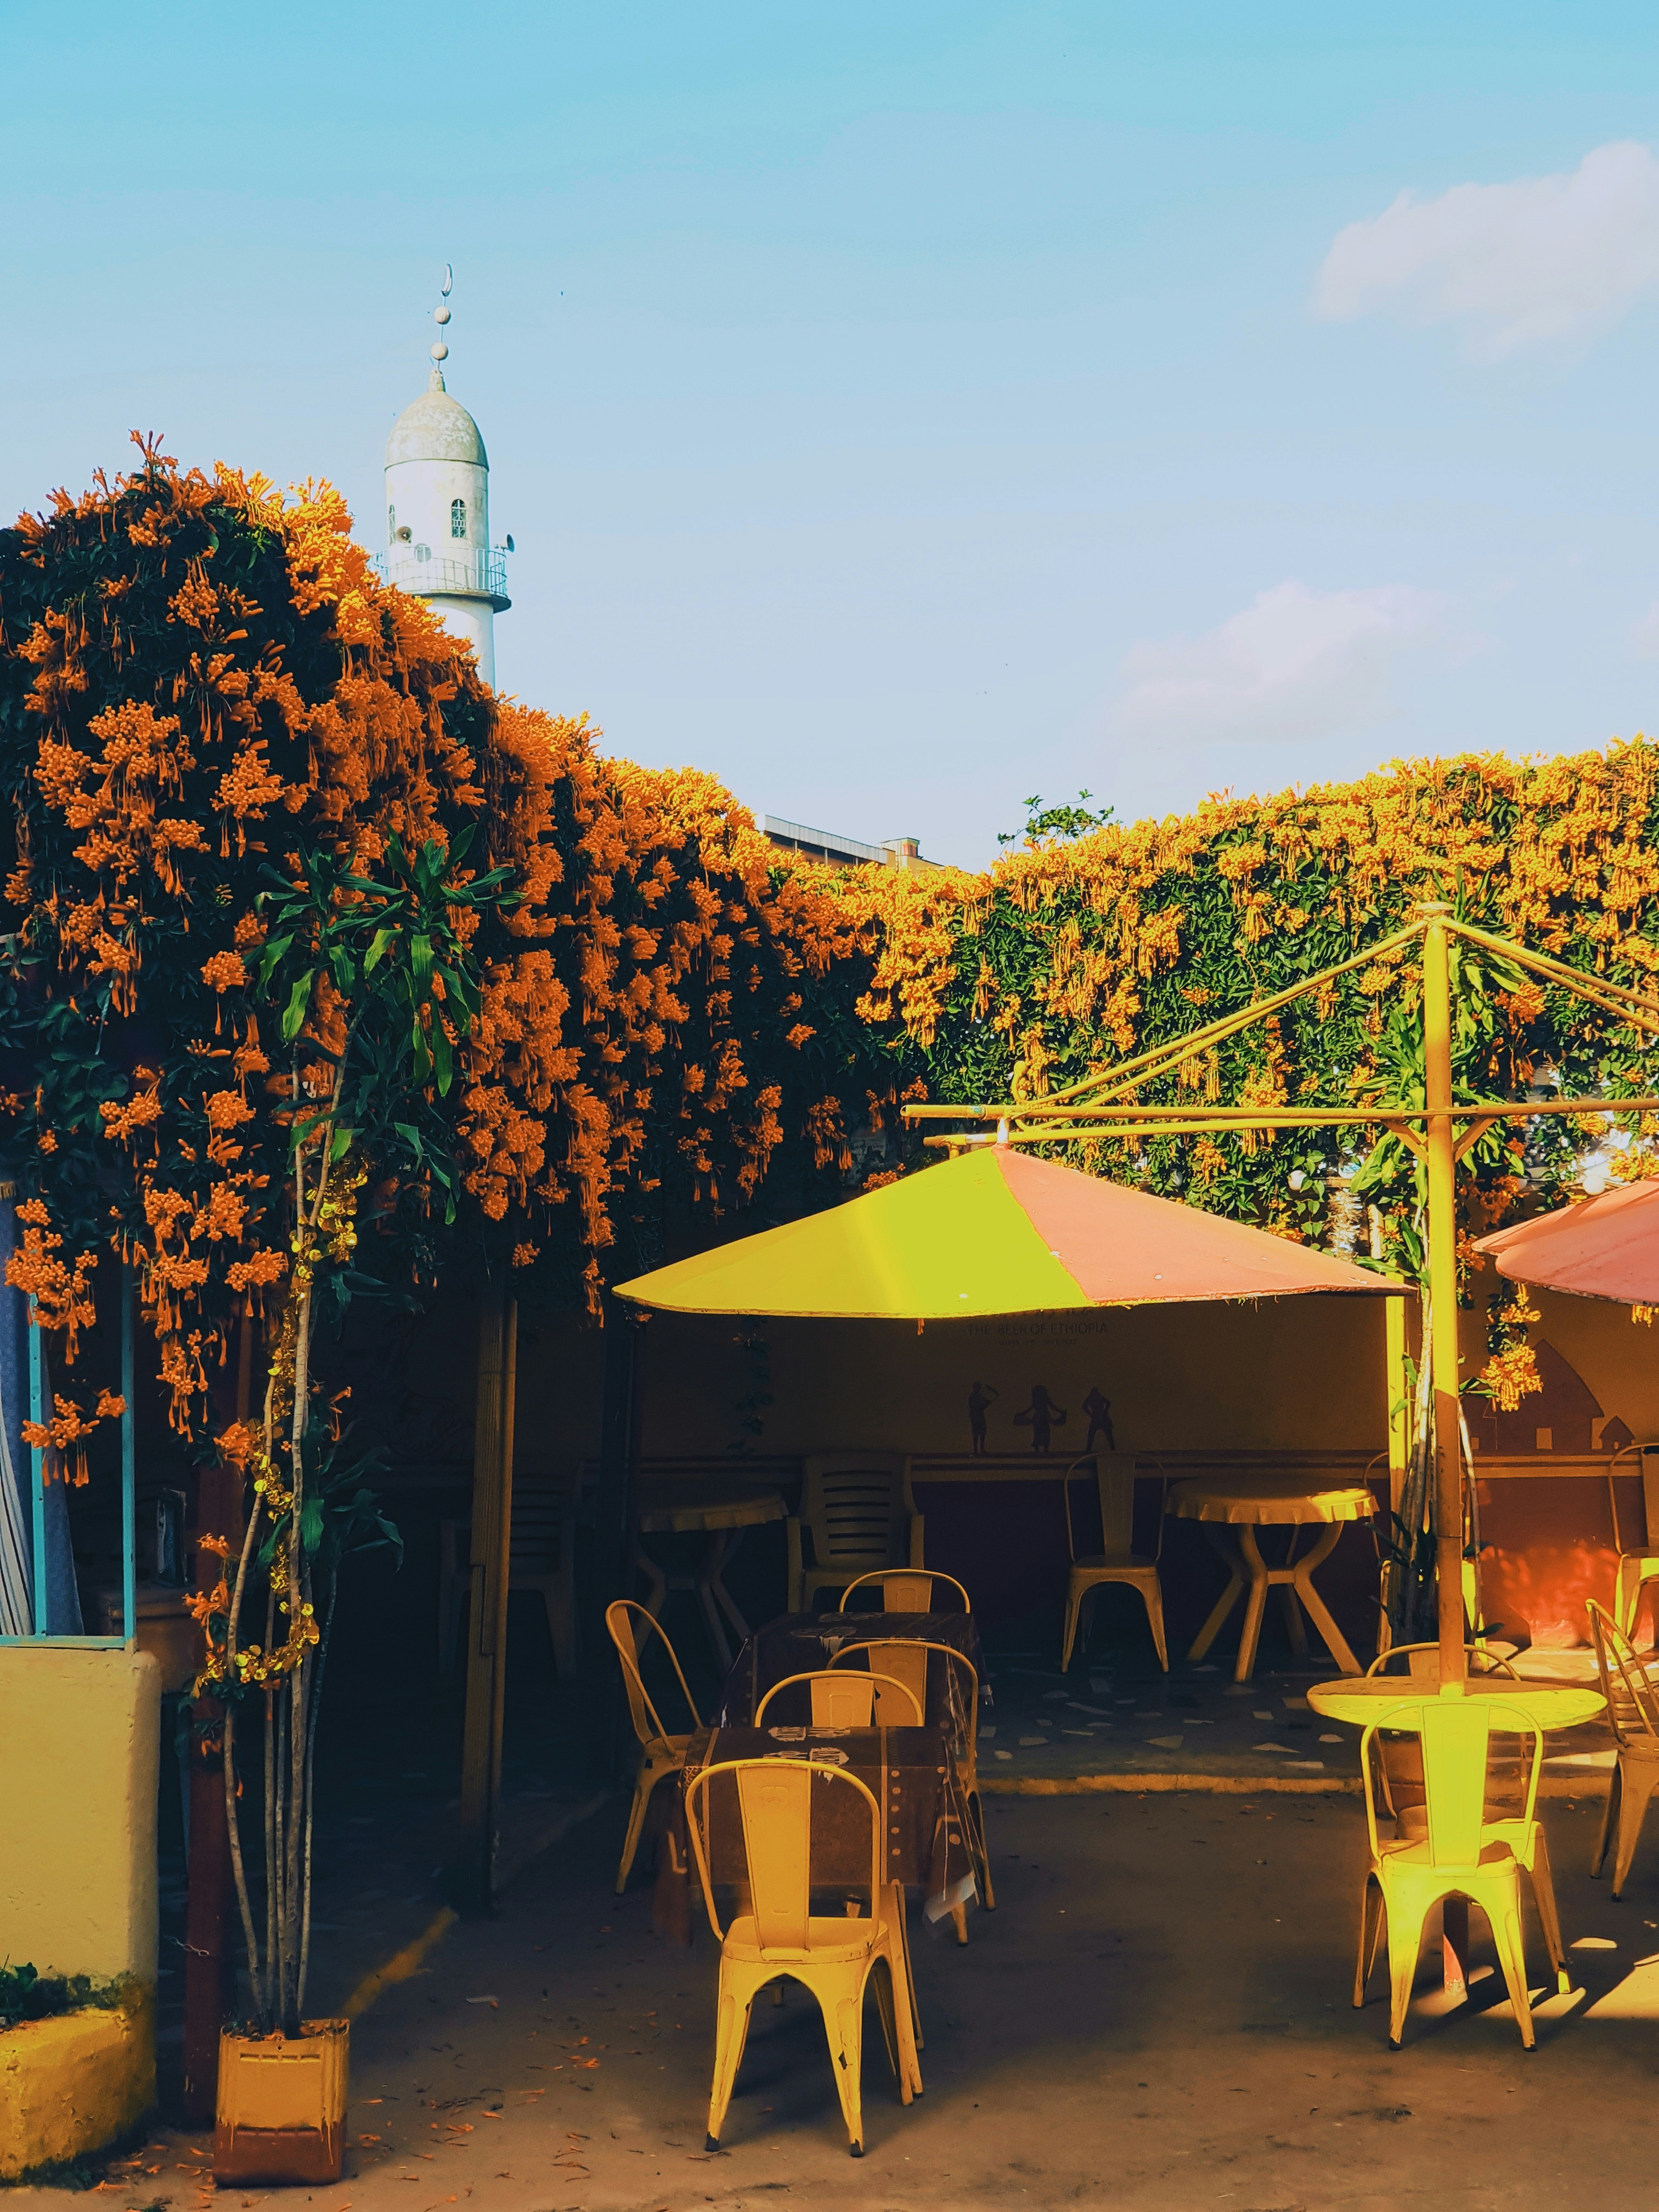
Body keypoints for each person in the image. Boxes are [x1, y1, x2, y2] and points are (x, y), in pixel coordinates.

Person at [1012, 1383, 1068, 1454]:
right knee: (1041, 1433)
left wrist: (1023, 1414)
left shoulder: (1040, 1400)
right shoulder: (1040, 1400)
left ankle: (1042, 1450)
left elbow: (1052, 1407)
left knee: (1041, 1433)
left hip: (1041, 1419)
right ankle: (1042, 1450)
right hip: (1041, 1418)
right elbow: (1052, 1407)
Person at [967, 1379, 998, 1455]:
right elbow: (980, 1406)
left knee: (980, 1433)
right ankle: (979, 1450)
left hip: (977, 1415)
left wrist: (986, 1403)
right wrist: (987, 1403)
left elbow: (981, 1406)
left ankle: (979, 1450)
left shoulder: (975, 1395)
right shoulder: (975, 1396)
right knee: (978, 1433)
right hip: (977, 1416)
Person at [1082, 1385, 1115, 1452]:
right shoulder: (1093, 1398)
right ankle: (1088, 1449)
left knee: (1107, 1434)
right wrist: (1091, 1414)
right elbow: (1084, 1407)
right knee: (1091, 1434)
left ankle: (1113, 1448)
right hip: (1097, 1417)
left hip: (1101, 1417)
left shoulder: (1097, 1397)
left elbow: (1108, 1402)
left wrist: (1105, 1411)